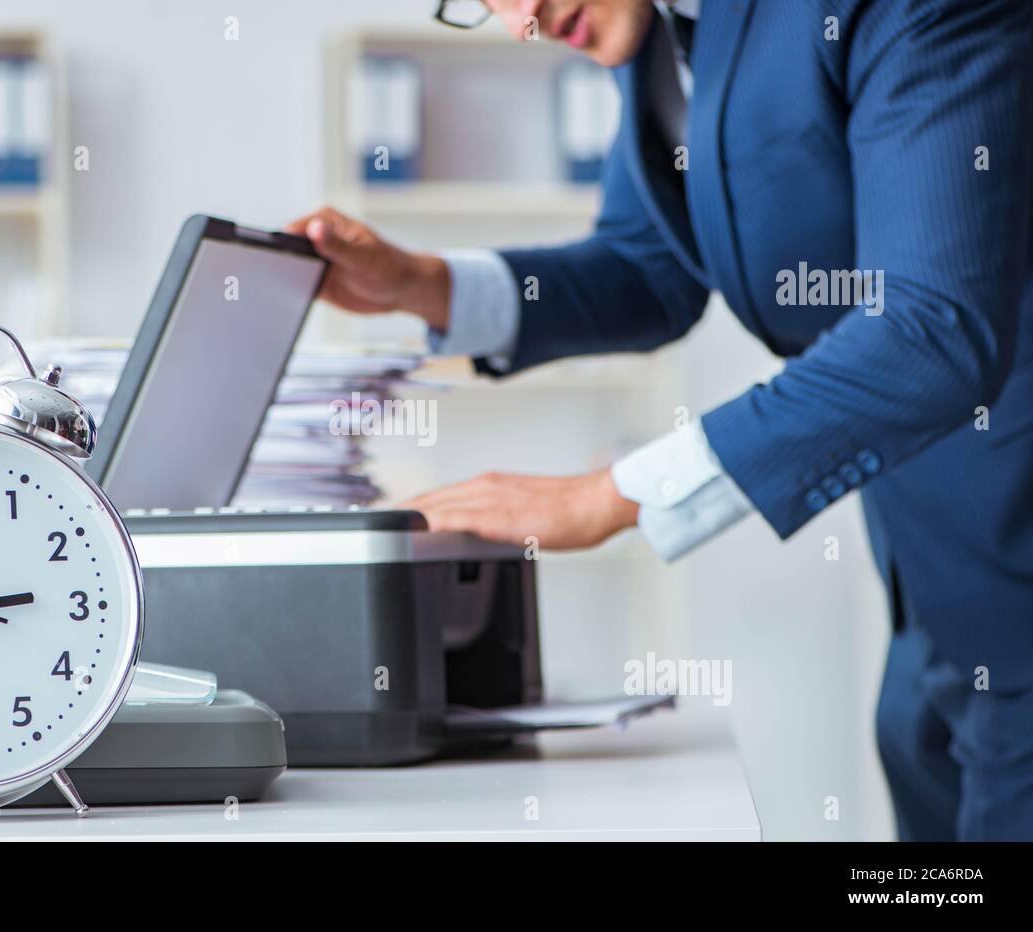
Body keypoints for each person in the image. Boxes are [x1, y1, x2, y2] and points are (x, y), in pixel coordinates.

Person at [287, 0, 1033, 841]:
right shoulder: (659, 29)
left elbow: (929, 332)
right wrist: (422, 283)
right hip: (930, 571)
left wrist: (615, 496)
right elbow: (652, 265)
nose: (520, 17)